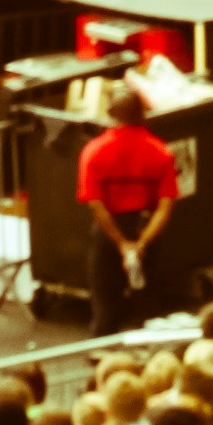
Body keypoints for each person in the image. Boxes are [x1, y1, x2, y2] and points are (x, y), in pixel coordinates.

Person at [74, 84, 184, 331]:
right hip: (145, 230)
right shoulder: (161, 152)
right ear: (141, 114)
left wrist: (121, 243)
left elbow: (96, 206)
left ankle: (101, 362)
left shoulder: (93, 152)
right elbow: (165, 207)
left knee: (104, 312)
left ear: (111, 114)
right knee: (148, 313)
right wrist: (141, 243)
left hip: (109, 235)